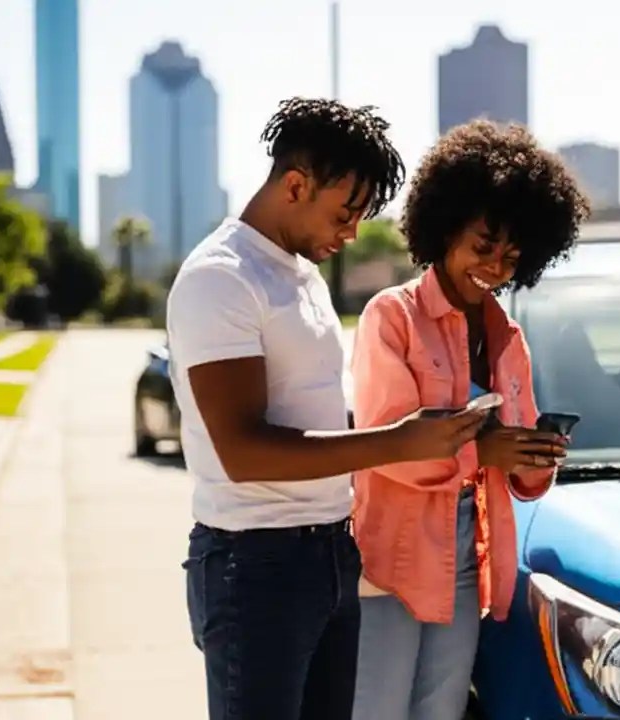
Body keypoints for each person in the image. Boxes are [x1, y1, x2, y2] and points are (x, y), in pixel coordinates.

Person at [166, 98, 487, 720]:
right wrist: (398, 441)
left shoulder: (301, 275)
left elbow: (321, 417)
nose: (350, 233)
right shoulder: (221, 277)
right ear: (295, 184)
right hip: (253, 566)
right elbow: (243, 451)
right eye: (344, 214)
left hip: (329, 557)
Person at [349, 119, 591, 720]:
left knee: (441, 712)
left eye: (512, 256)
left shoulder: (508, 337)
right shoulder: (393, 317)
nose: (496, 267)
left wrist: (537, 457)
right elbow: (384, 445)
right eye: (483, 246)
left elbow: (523, 481)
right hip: (392, 563)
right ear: (445, 228)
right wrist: (486, 453)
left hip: (467, 567)